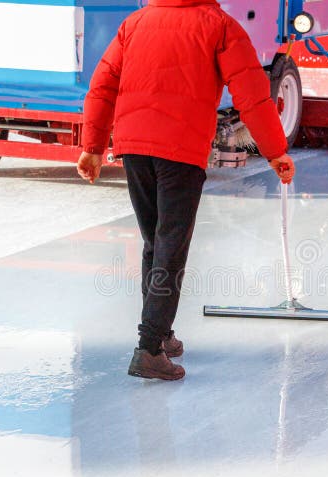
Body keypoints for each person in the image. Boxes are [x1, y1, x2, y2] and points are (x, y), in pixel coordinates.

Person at [77, 0, 296, 381]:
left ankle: (160, 333)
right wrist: (275, 152)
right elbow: (252, 96)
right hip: (180, 150)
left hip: (134, 148)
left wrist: (92, 147)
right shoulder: (220, 26)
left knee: (154, 241)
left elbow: (102, 85)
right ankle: (148, 349)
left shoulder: (136, 22)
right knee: (170, 246)